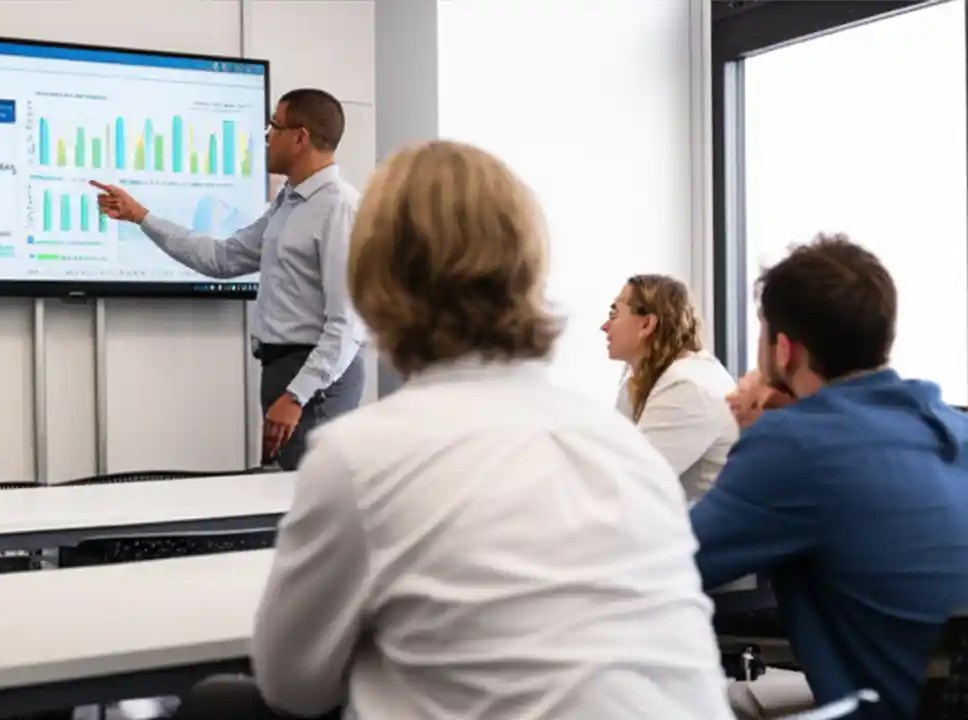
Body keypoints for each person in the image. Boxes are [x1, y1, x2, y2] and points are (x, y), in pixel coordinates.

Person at [176, 141, 733, 719]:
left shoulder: (361, 455)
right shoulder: (623, 450)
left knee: (216, 705)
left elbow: (294, 686)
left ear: (374, 282)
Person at [691, 234, 968, 719]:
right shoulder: (951, 426)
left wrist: (775, 431)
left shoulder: (796, 445)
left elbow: (668, 562)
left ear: (784, 351)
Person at [92, 88, 366, 470]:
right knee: (281, 500)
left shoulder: (340, 208)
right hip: (283, 371)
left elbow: (348, 324)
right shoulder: (290, 204)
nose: (267, 136)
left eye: (274, 125)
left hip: (314, 383)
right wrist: (142, 216)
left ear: (300, 138)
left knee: (310, 503)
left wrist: (296, 395)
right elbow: (221, 259)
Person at [601, 274, 738, 502]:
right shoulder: (640, 379)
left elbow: (630, 482)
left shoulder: (689, 386)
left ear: (646, 324)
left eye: (614, 313)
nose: (604, 327)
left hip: (708, 532)